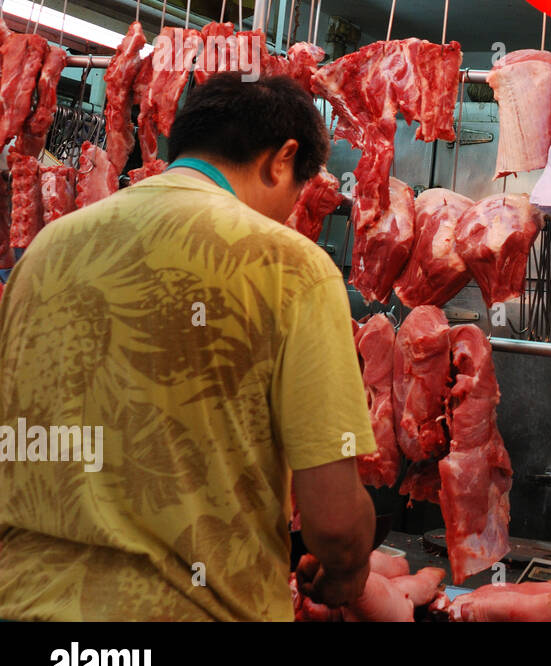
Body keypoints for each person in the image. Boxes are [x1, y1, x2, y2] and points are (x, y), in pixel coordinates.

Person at [0, 72, 376, 620]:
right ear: (283, 159)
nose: (291, 212)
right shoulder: (290, 265)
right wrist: (347, 570)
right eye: (297, 193)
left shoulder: (45, 249)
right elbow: (335, 523)